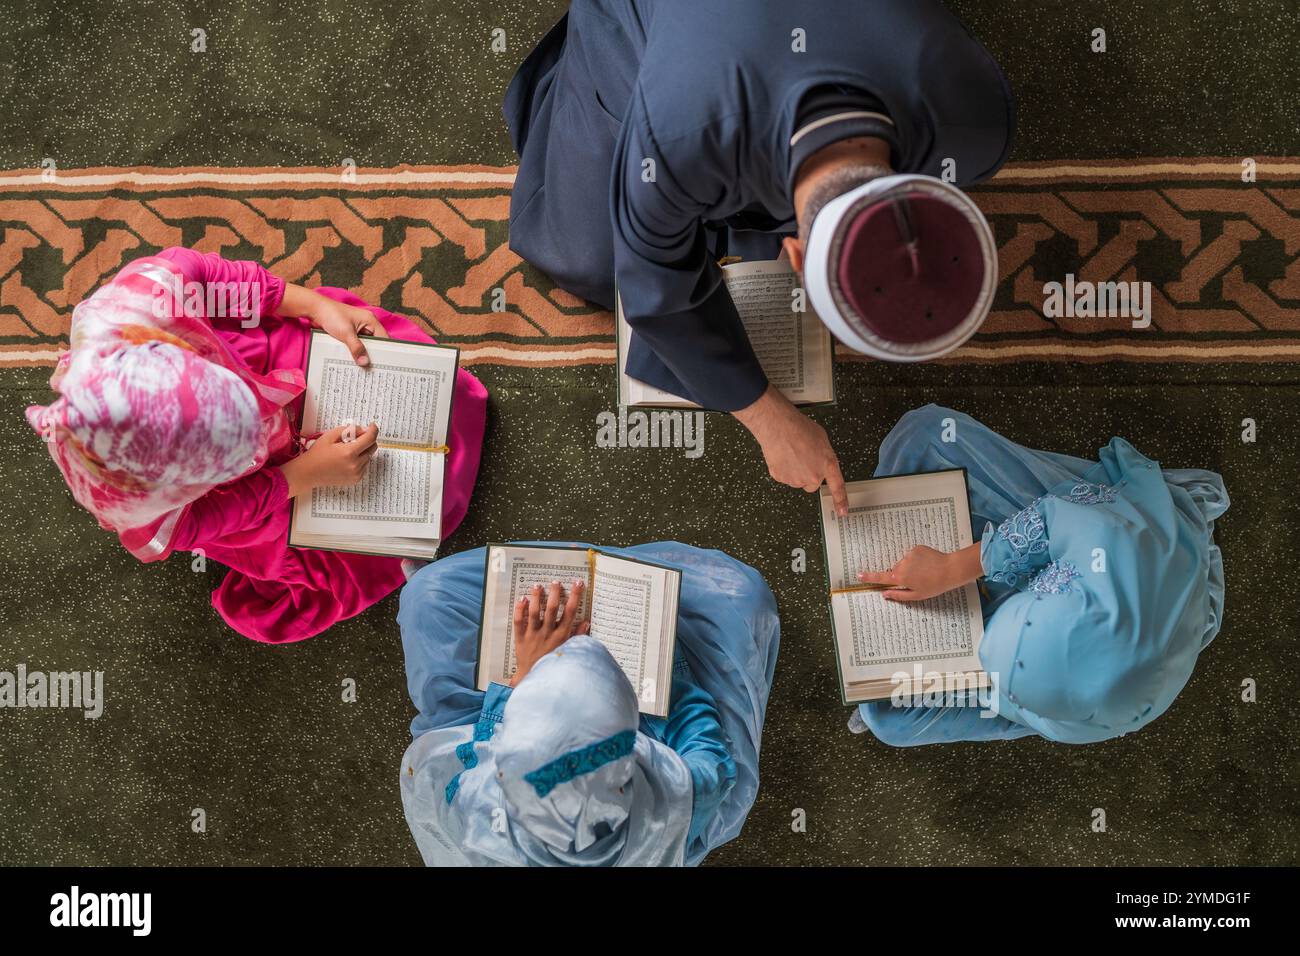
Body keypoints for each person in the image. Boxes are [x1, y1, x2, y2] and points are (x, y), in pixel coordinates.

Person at [504, 0, 1009, 514]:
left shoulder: (977, 120)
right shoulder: (676, 136)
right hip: (669, 36)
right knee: (593, 262)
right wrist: (768, 418)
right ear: (793, 252)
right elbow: (655, 292)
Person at [25, 247, 487, 643]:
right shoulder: (134, 503)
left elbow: (222, 280)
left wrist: (316, 306)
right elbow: (211, 517)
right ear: (185, 483)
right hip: (266, 488)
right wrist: (301, 475)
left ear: (178, 349)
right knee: (364, 546)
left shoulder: (145, 303)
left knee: (424, 390)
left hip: (260, 364)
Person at [849, 405, 1229, 746]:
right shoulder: (1102, 543)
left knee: (885, 718)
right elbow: (1050, 519)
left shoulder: (1072, 719)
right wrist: (952, 569)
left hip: (1117, 625)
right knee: (924, 432)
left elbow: (1002, 693)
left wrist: (946, 669)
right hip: (1116, 542)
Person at [397, 542, 779, 866]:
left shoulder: (474, 807)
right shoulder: (683, 797)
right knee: (744, 598)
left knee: (430, 596)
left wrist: (523, 677)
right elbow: (702, 738)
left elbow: (471, 749)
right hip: (664, 738)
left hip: (494, 719)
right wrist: (658, 679)